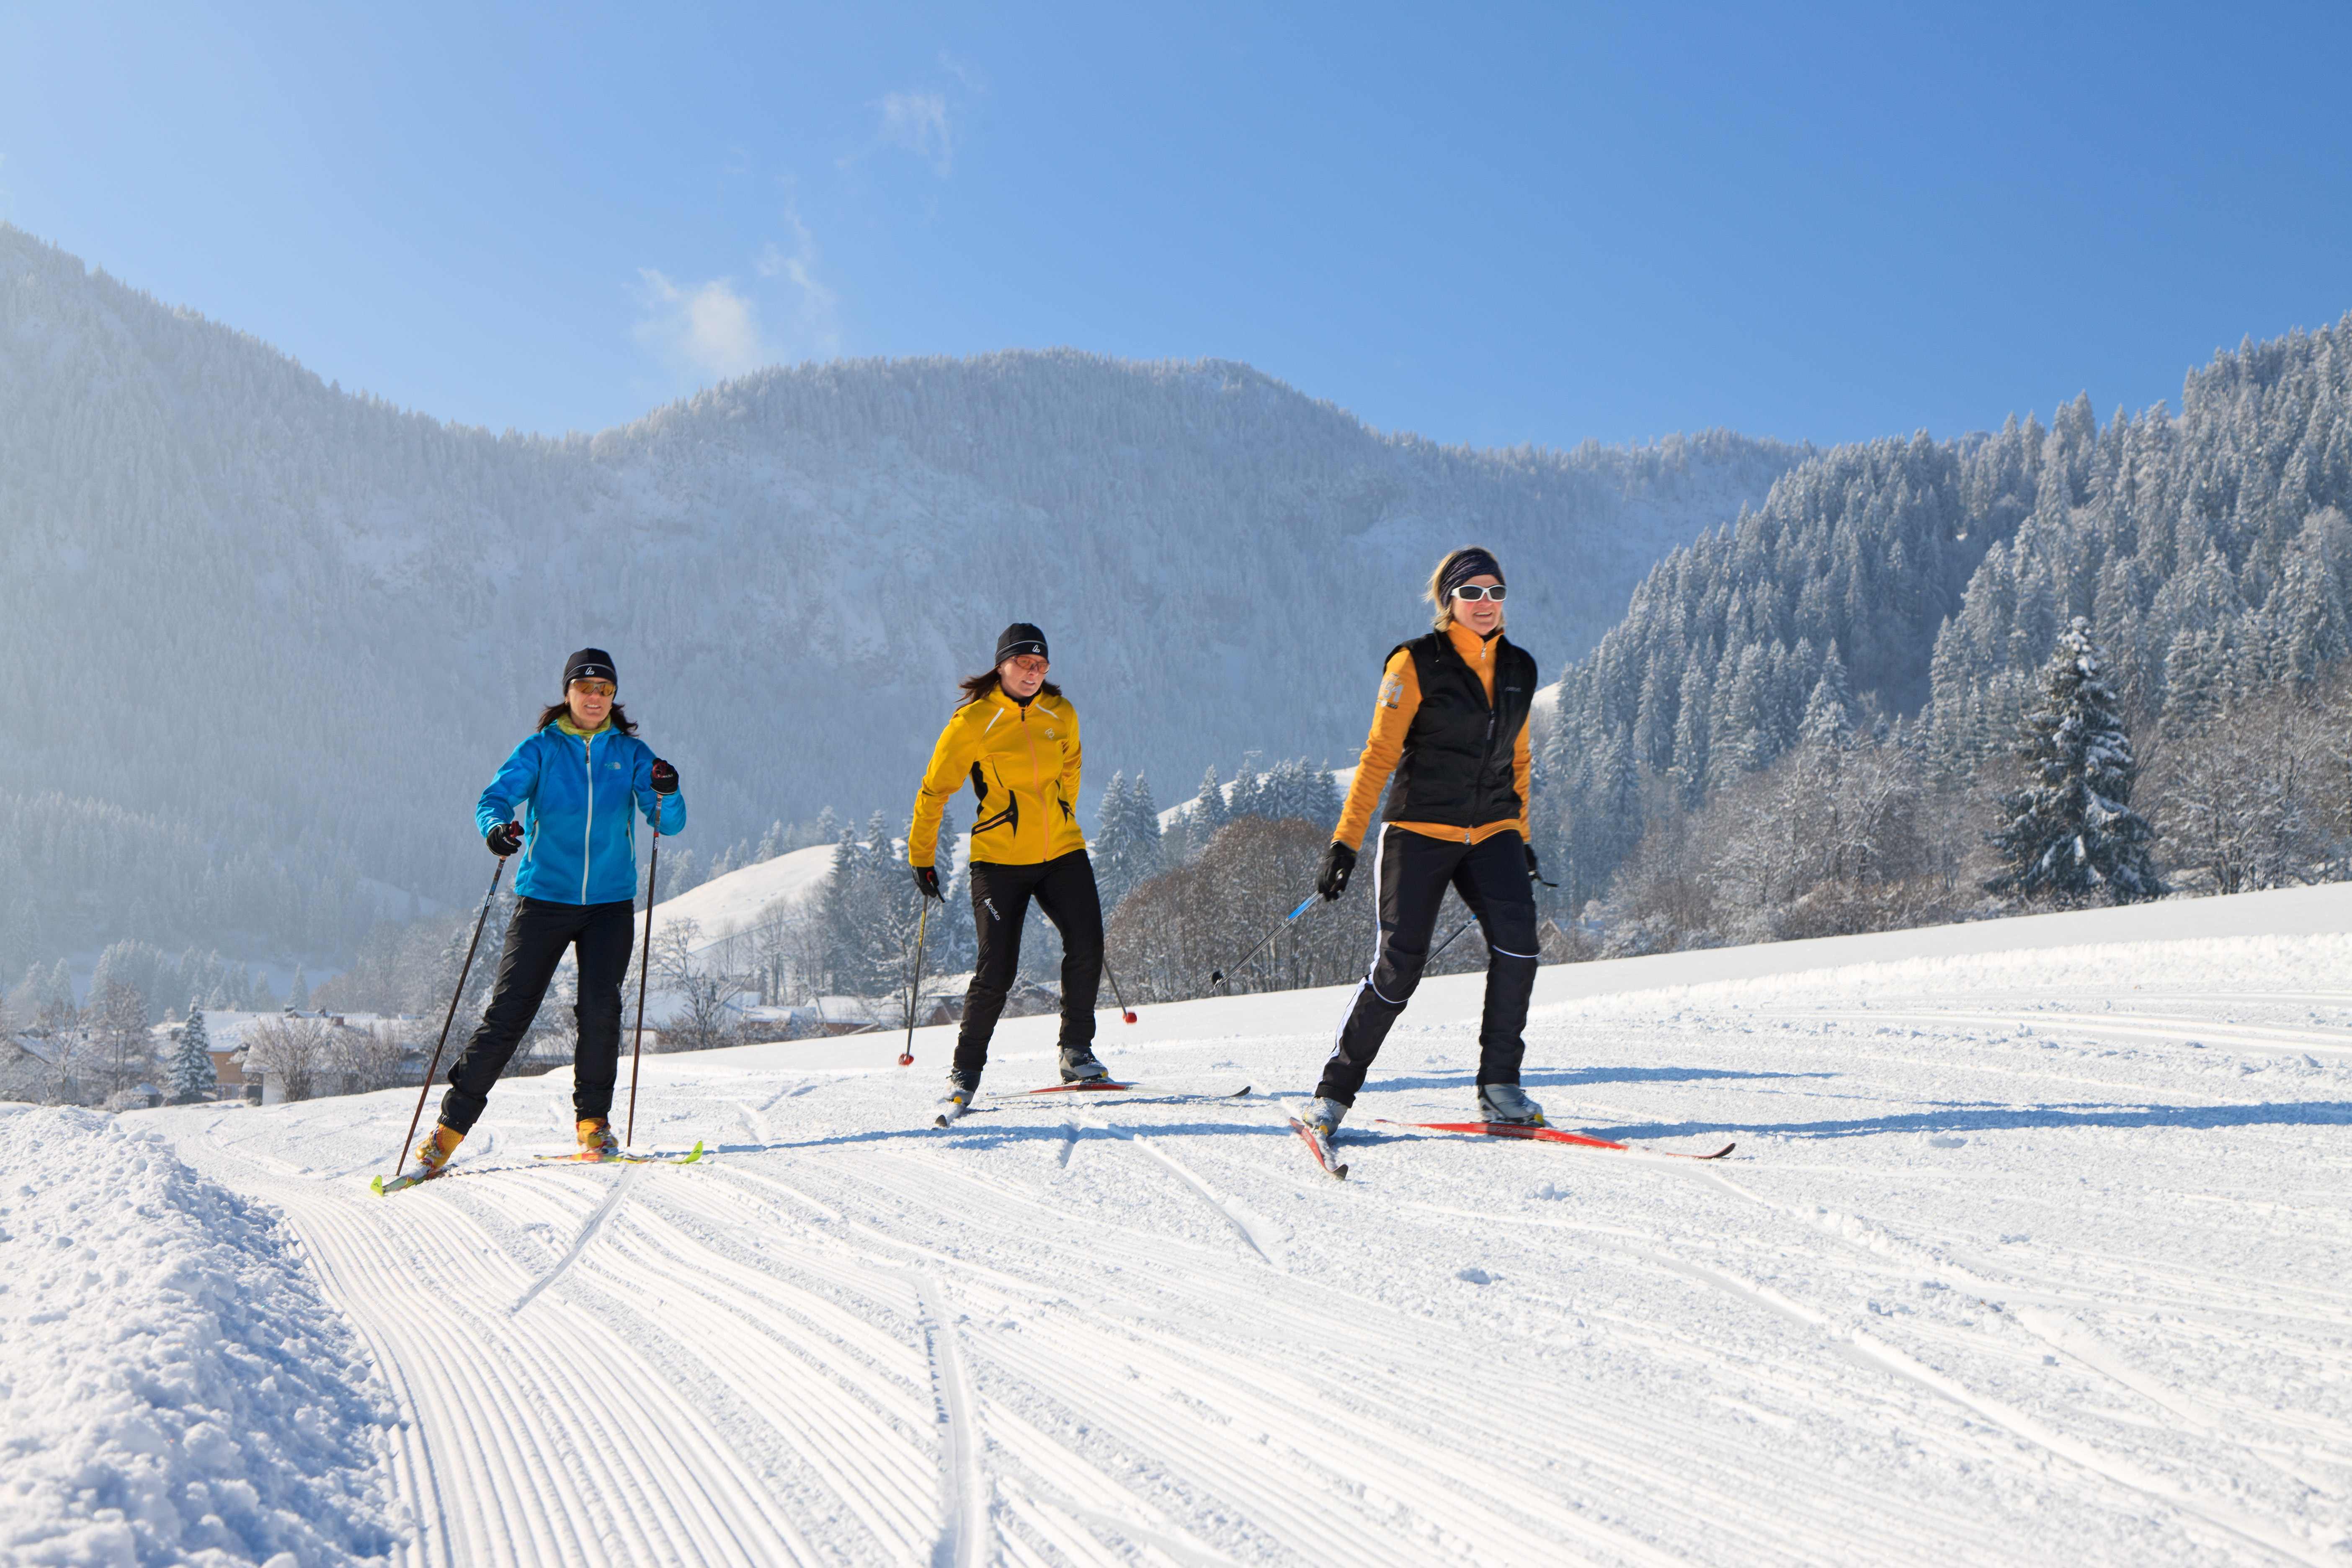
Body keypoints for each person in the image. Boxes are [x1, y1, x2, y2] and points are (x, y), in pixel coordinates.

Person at [410, 648, 686, 1175]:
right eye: (586, 688)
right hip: (544, 900)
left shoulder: (631, 753)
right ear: (568, 693)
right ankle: (446, 1132)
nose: (594, 697)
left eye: (604, 690)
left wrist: (668, 794)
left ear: (613, 698)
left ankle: (593, 1126)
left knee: (601, 1013)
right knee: (509, 1014)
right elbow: (493, 800)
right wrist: (496, 831)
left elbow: (666, 823)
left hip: (609, 904)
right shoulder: (540, 749)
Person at [1304, 547, 1545, 1145]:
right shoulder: (1415, 663)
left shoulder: (1519, 667)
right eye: (1472, 594)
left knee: (1519, 948)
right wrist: (1344, 843)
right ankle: (1333, 1094)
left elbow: (1519, 758)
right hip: (1420, 830)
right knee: (1399, 966)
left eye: (1495, 593)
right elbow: (1379, 756)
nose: (1485, 605)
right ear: (1449, 602)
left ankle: (1500, 1087)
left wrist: (1523, 835)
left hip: (1492, 831)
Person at [908, 623, 1109, 1121]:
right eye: (1024, 663)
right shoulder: (974, 721)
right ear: (1002, 665)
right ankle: (965, 1073)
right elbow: (935, 789)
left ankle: (1076, 1052)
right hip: (999, 861)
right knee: (997, 970)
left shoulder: (1060, 713)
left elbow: (1072, 769)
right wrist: (922, 856)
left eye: (1041, 665)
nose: (1033, 672)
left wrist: (1061, 815)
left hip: (1061, 851)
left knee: (1088, 946)